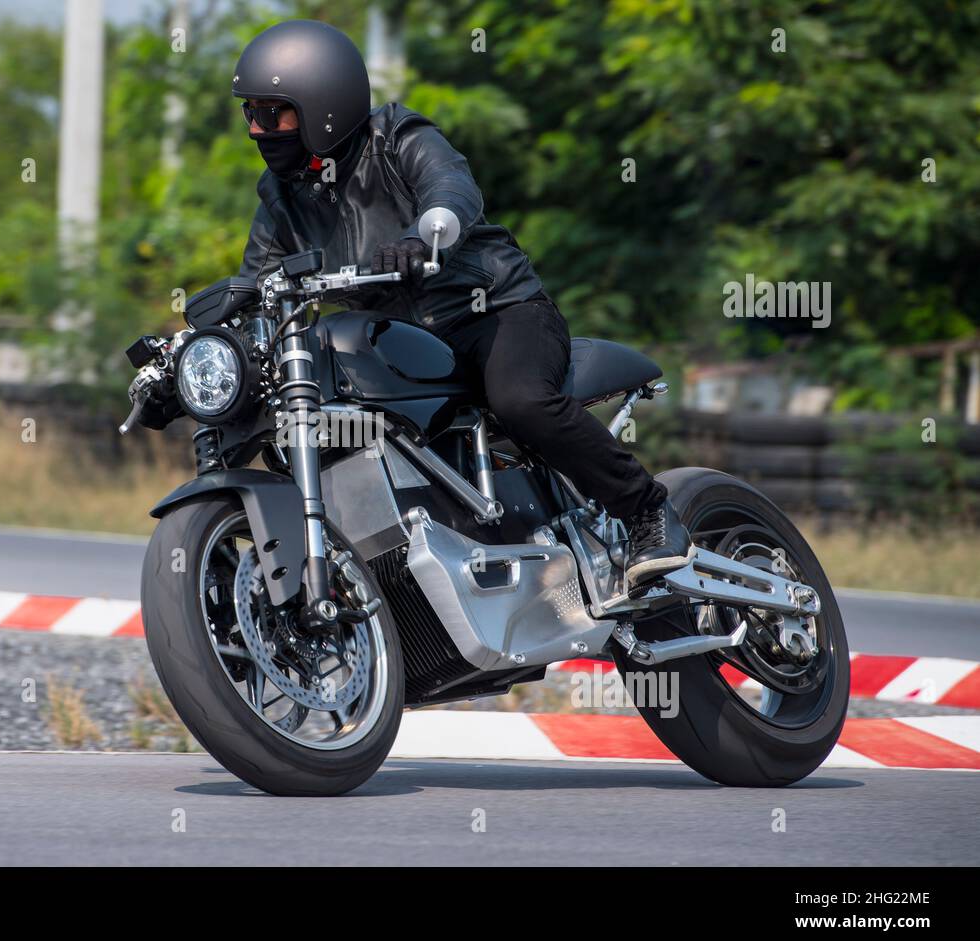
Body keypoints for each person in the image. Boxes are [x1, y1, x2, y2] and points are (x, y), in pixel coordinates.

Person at [233, 20, 691, 585]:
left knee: (521, 401)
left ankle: (647, 511)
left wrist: (424, 236)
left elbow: (452, 189)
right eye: (250, 113)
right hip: (403, 348)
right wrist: (198, 351)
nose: (257, 129)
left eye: (272, 113)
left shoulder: (396, 137)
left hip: (495, 313)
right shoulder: (279, 200)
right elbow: (251, 288)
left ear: (321, 104)